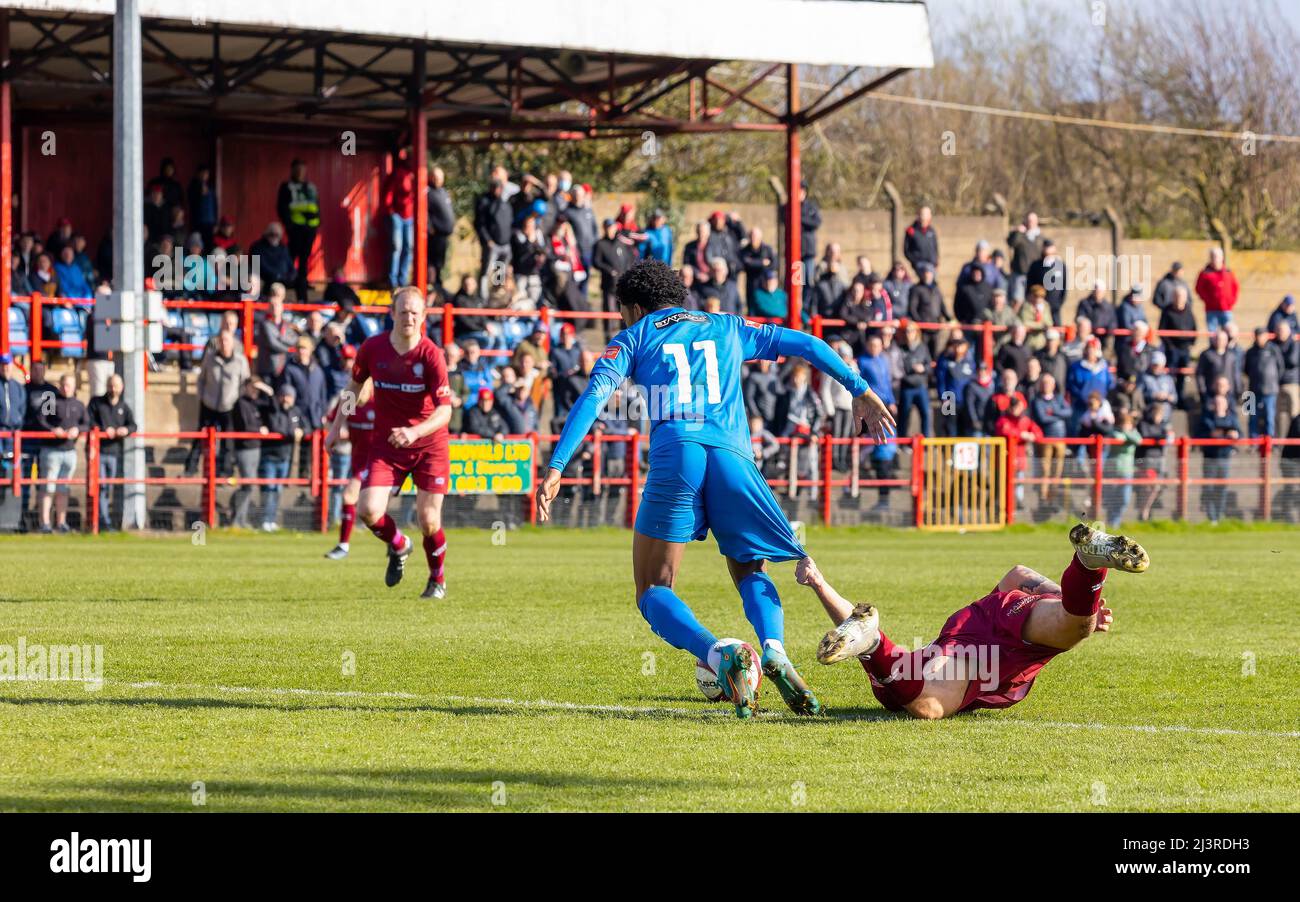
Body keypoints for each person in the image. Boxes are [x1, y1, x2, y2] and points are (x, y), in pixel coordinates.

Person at [534, 259, 896, 719]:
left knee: (652, 588)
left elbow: (595, 393)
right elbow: (807, 343)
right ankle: (774, 650)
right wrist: (859, 388)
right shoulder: (728, 325)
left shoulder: (635, 335)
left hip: (679, 452)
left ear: (633, 307)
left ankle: (720, 655)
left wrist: (558, 464)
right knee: (748, 569)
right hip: (733, 455)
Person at [797, 523, 1148, 719]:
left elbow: (1017, 574)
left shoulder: (907, 675)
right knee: (925, 705)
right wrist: (818, 583)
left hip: (970, 647)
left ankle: (1087, 568)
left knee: (1073, 627)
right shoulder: (901, 679)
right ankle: (1087, 566)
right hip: (976, 646)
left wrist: (820, 584)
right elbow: (1017, 575)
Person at [324, 287, 454, 599]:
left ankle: (437, 579)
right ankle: (400, 545)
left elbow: (445, 411)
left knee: (428, 519)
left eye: (415, 312)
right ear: (392, 313)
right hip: (388, 445)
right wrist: (336, 426)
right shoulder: (373, 348)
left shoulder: (431, 355)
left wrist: (415, 431)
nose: (408, 317)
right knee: (368, 510)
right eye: (403, 311)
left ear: (423, 317)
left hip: (428, 446)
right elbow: (353, 388)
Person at [323, 381, 375, 560]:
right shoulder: (349, 400)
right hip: (358, 461)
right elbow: (331, 422)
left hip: (377, 462)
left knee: (349, 497)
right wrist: (337, 432)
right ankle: (397, 542)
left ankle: (343, 545)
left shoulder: (379, 400)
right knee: (374, 511)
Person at [37, 372, 88, 533]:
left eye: (69, 386)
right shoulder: (51, 400)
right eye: (64, 385)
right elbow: (41, 420)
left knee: (63, 489)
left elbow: (87, 424)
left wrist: (77, 429)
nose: (66, 388)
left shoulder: (78, 405)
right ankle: (44, 523)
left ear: (74, 387)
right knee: (48, 488)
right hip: (51, 450)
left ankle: (61, 522)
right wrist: (53, 429)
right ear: (60, 385)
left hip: (69, 451)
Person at [87, 373, 136, 531]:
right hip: (99, 452)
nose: (113, 389)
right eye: (110, 385)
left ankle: (105, 520)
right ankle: (102, 521)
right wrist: (102, 430)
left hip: (115, 453)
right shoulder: (96, 403)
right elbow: (89, 421)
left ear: (121, 388)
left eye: (116, 385)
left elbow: (133, 425)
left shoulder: (124, 407)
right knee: (101, 487)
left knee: (108, 487)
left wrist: (125, 430)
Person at [259, 383, 305, 532]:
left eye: (289, 396)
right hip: (270, 456)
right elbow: (276, 427)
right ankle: (265, 519)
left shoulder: (295, 412)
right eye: (283, 395)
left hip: (285, 457)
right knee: (269, 489)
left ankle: (271, 520)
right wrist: (294, 433)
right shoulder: (273, 410)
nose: (286, 399)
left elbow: (306, 426)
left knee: (277, 490)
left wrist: (301, 431)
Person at [276, 159, 320, 300]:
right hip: (295, 229)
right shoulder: (287, 187)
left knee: (304, 259)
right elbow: (281, 207)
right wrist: (289, 225)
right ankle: (288, 282)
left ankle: (302, 286)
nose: (300, 172)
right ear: (292, 170)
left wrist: (315, 224)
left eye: (303, 169)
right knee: (291, 256)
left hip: (310, 229)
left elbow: (316, 205)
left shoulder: (310, 187)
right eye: (297, 169)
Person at [1194, 246, 1238, 333]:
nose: (1215, 259)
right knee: (1212, 334)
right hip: (1211, 310)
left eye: (1217, 257)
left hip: (1226, 309)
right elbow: (1199, 289)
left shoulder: (1228, 272)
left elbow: (1235, 288)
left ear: (1222, 258)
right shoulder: (1205, 273)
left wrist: (1230, 301)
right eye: (1213, 257)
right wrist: (1208, 300)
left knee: (1230, 333)